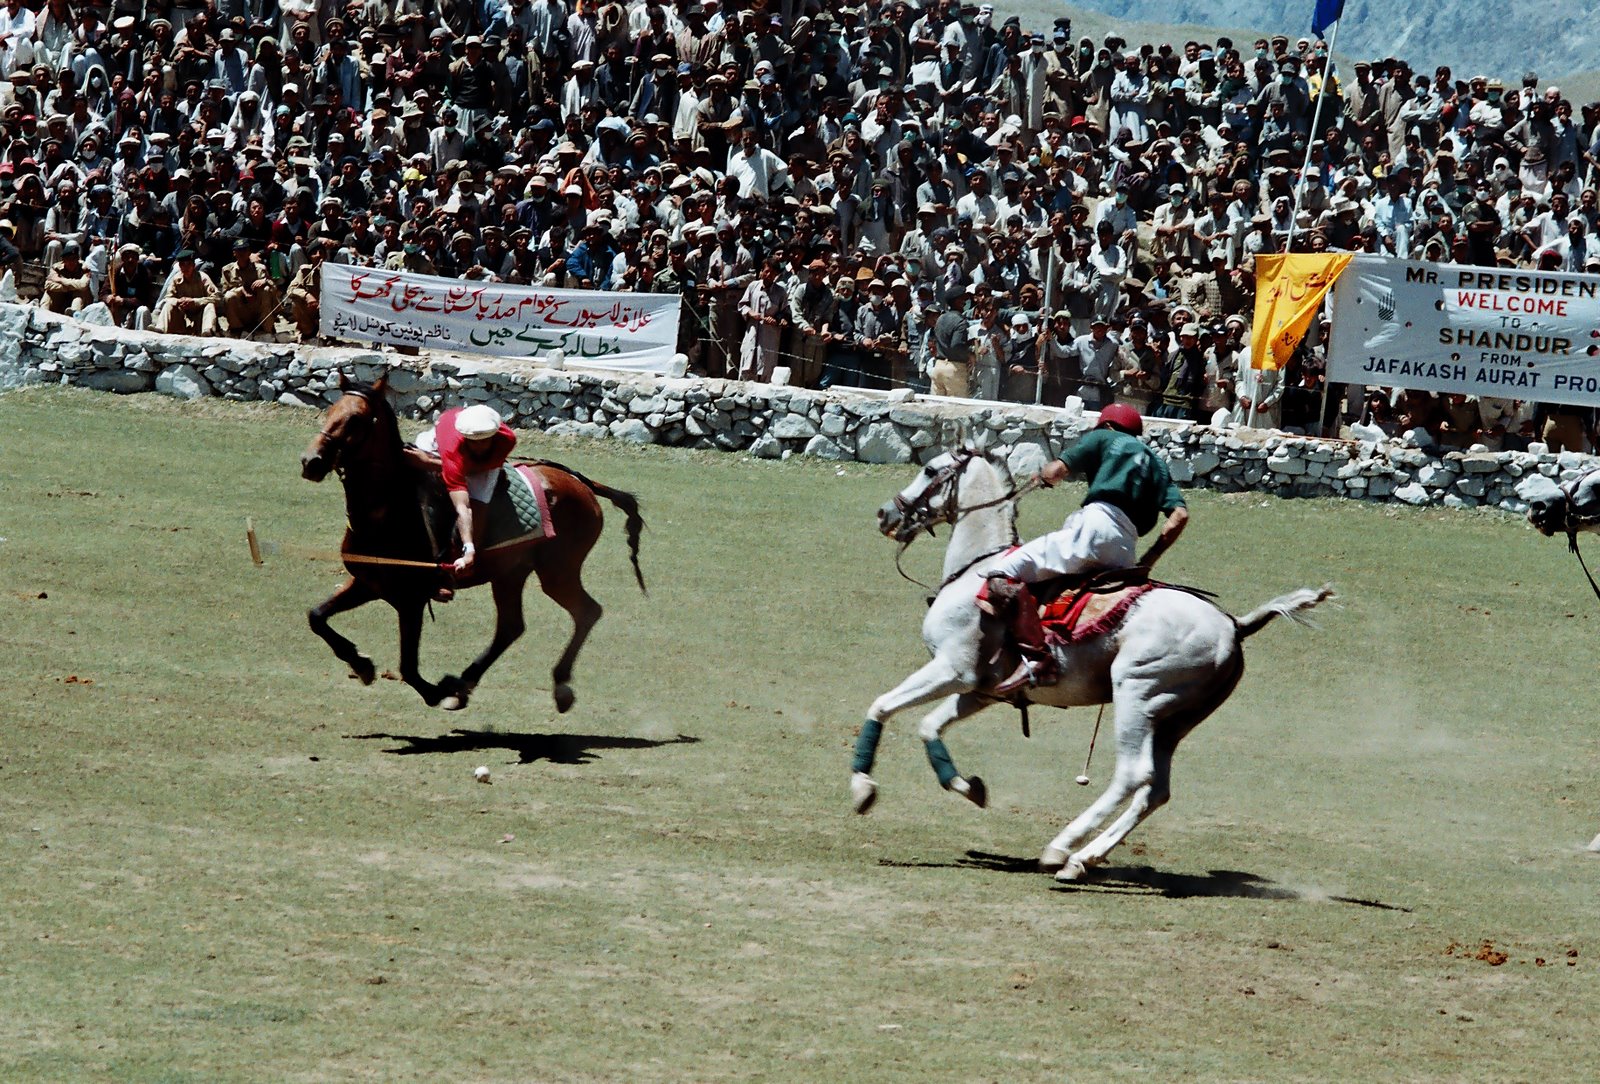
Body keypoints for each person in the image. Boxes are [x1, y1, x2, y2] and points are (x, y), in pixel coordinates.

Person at [979, 403, 1189, 694]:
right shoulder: (1157, 464)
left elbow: (1057, 470)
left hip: (1093, 530)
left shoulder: (1104, 436)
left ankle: (1036, 658)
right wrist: (1149, 559)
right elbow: (1180, 516)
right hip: (1124, 550)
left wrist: (1043, 476)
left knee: (1002, 569)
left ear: (1108, 426)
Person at [432, 403, 518, 580]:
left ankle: (470, 559)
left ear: (494, 436)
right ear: (465, 438)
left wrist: (469, 548)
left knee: (480, 505)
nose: (479, 446)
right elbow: (463, 506)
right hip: (444, 444)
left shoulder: (508, 439)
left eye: (484, 441)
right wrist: (445, 467)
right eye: (473, 442)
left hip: (462, 461)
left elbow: (481, 471)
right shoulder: (452, 449)